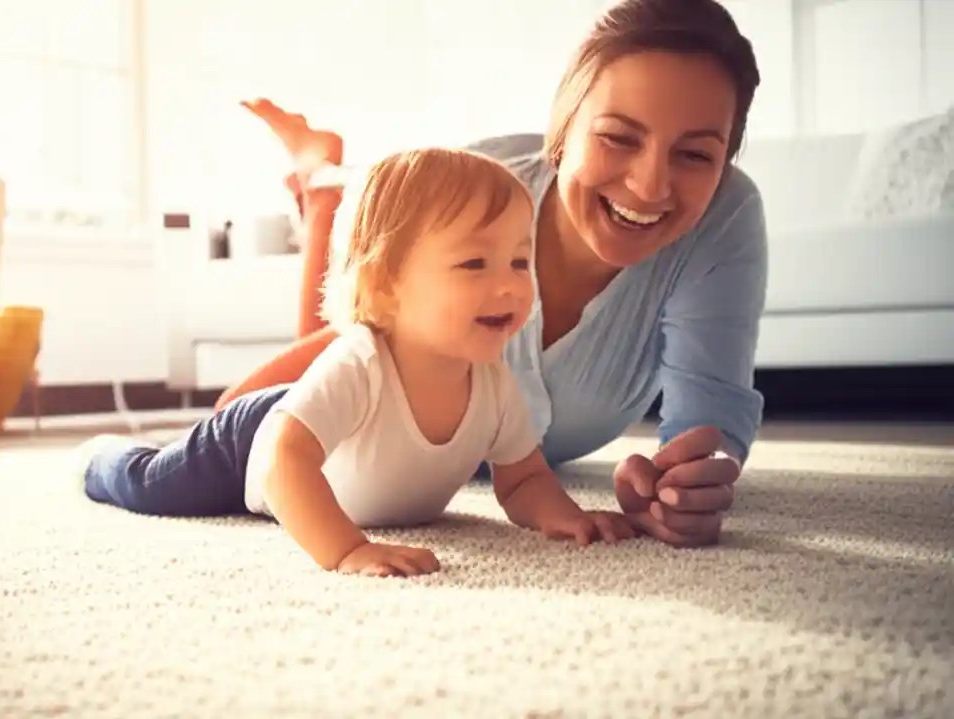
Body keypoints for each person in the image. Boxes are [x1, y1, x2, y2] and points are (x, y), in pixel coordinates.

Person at [223, 0, 767, 549]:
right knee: (246, 418)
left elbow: (712, 419)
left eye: (695, 155)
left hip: (515, 463)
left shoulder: (726, 217)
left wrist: (683, 482)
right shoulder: (478, 198)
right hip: (391, 340)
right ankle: (321, 187)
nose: (650, 187)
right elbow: (342, 355)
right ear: (562, 128)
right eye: (618, 138)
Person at [80, 147, 636, 578]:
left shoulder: (492, 384)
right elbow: (284, 462)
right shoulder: (359, 364)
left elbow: (523, 481)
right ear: (384, 285)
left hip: (305, 438)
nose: (510, 284)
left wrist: (564, 515)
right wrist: (348, 550)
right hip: (256, 439)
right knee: (152, 485)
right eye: (474, 262)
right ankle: (99, 457)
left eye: (520, 260)